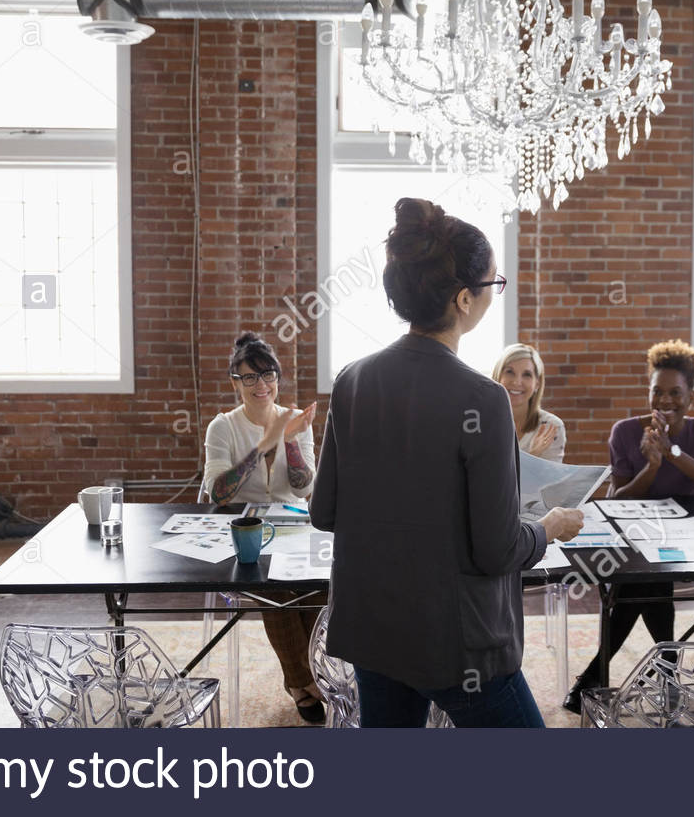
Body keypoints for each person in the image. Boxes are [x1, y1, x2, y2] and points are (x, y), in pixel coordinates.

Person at [311, 198, 583, 727]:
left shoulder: (353, 380)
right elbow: (497, 547)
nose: (493, 293)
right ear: (464, 299)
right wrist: (548, 528)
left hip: (373, 629)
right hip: (457, 642)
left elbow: (325, 513)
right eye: (492, 284)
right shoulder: (483, 398)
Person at [562, 339, 694, 713]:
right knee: (648, 577)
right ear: (648, 391)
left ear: (690, 395)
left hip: (687, 539)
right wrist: (652, 465)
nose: (665, 401)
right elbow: (616, 499)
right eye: (657, 391)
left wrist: (673, 450)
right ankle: (668, 671)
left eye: (676, 393)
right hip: (633, 539)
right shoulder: (625, 432)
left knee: (645, 580)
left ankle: (594, 678)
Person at [202, 332, 323, 723]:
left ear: (278, 378)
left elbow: (306, 485)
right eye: (249, 377)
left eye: (267, 374)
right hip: (248, 531)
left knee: (313, 588)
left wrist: (287, 440)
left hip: (296, 527)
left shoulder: (295, 420)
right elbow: (219, 492)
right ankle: (307, 681)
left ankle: (303, 682)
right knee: (278, 589)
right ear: (234, 382)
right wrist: (260, 447)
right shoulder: (223, 427)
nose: (261, 385)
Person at [491, 343, 566, 461]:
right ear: (497, 377)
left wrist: (531, 457)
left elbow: (550, 479)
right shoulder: (480, 423)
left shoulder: (551, 427)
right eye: (510, 372)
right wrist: (533, 455)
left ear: (537, 384)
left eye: (527, 375)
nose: (517, 382)